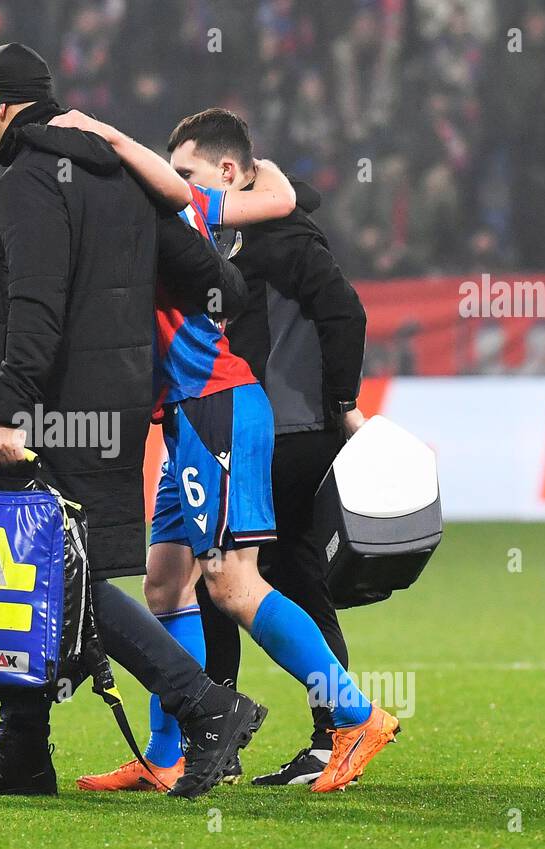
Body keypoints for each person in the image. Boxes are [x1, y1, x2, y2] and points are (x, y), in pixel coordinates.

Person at [0, 43, 266, 800]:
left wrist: (9, 412)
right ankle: (23, 750)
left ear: (3, 105)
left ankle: (207, 705)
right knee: (50, 568)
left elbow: (36, 309)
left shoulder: (29, 184)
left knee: (57, 575)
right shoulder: (122, 181)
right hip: (119, 406)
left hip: (57, 405)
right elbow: (220, 282)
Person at [53, 108, 399, 795]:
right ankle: (168, 751)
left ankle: (355, 714)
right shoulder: (177, 209)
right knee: (164, 581)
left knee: (233, 584)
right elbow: (284, 194)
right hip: (186, 418)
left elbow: (282, 203)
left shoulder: (153, 211)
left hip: (217, 404)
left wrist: (107, 132)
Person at [167, 108, 377, 787]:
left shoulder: (281, 238)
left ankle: (335, 731)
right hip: (258, 430)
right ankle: (218, 735)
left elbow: (346, 311)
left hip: (293, 430)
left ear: (228, 174)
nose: (179, 189)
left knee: (286, 580)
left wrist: (340, 405)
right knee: (215, 582)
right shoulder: (232, 239)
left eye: (188, 175)